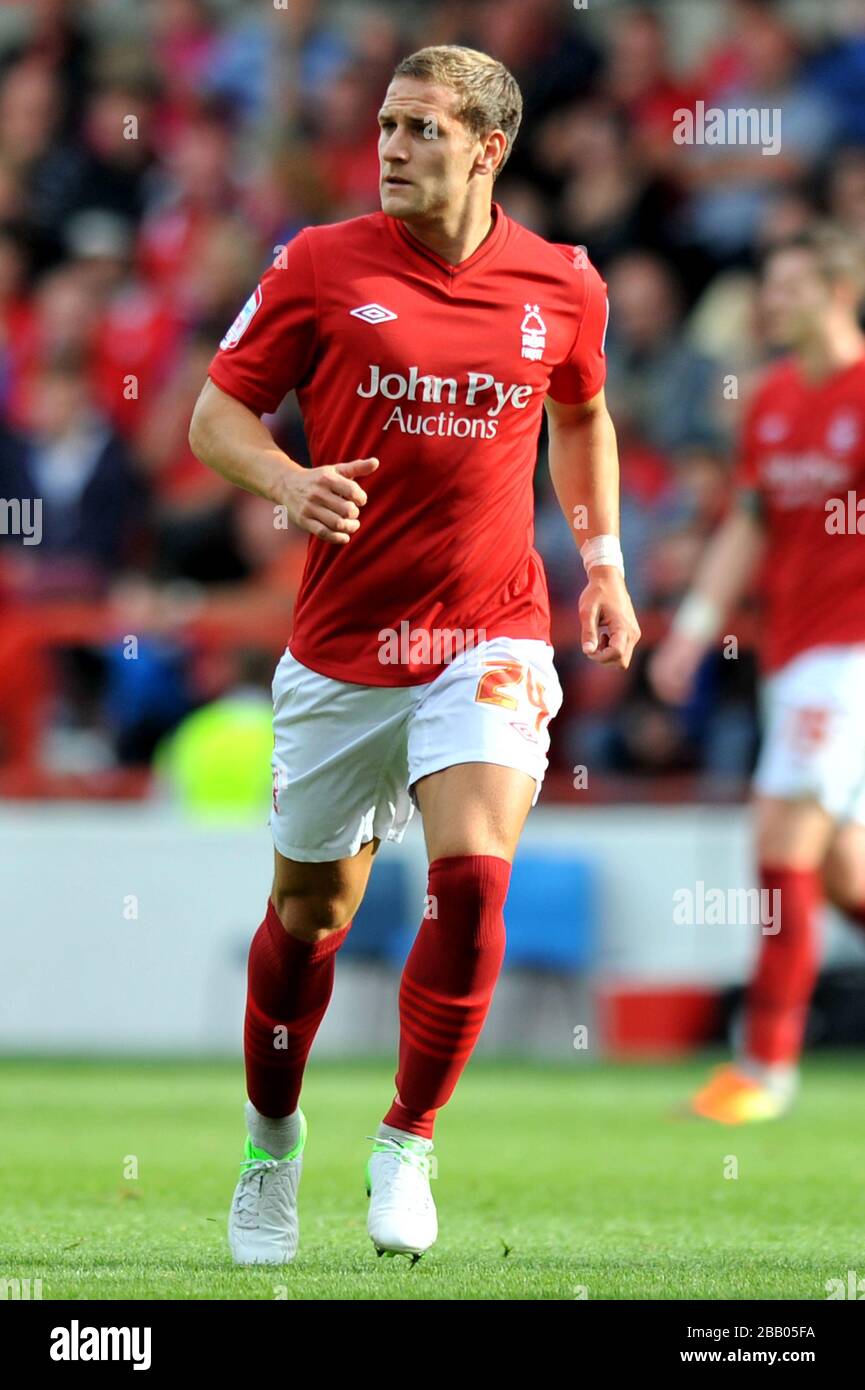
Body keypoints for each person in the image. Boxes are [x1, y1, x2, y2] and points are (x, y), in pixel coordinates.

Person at [189, 43, 639, 1265]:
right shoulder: (320, 262)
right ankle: (272, 1145)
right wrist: (286, 479)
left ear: (489, 147)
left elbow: (583, 415)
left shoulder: (563, 282)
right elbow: (215, 411)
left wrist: (600, 565)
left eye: (423, 130)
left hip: (486, 628)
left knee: (475, 877)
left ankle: (408, 1139)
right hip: (341, 649)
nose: (393, 147)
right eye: (388, 125)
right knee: (309, 914)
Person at [650, 225, 865, 1125]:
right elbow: (748, 524)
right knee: (842, 876)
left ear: (836, 289)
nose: (769, 302)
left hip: (848, 658)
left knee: (777, 839)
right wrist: (693, 628)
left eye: (786, 285)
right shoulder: (772, 398)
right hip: (792, 654)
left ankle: (764, 1064)